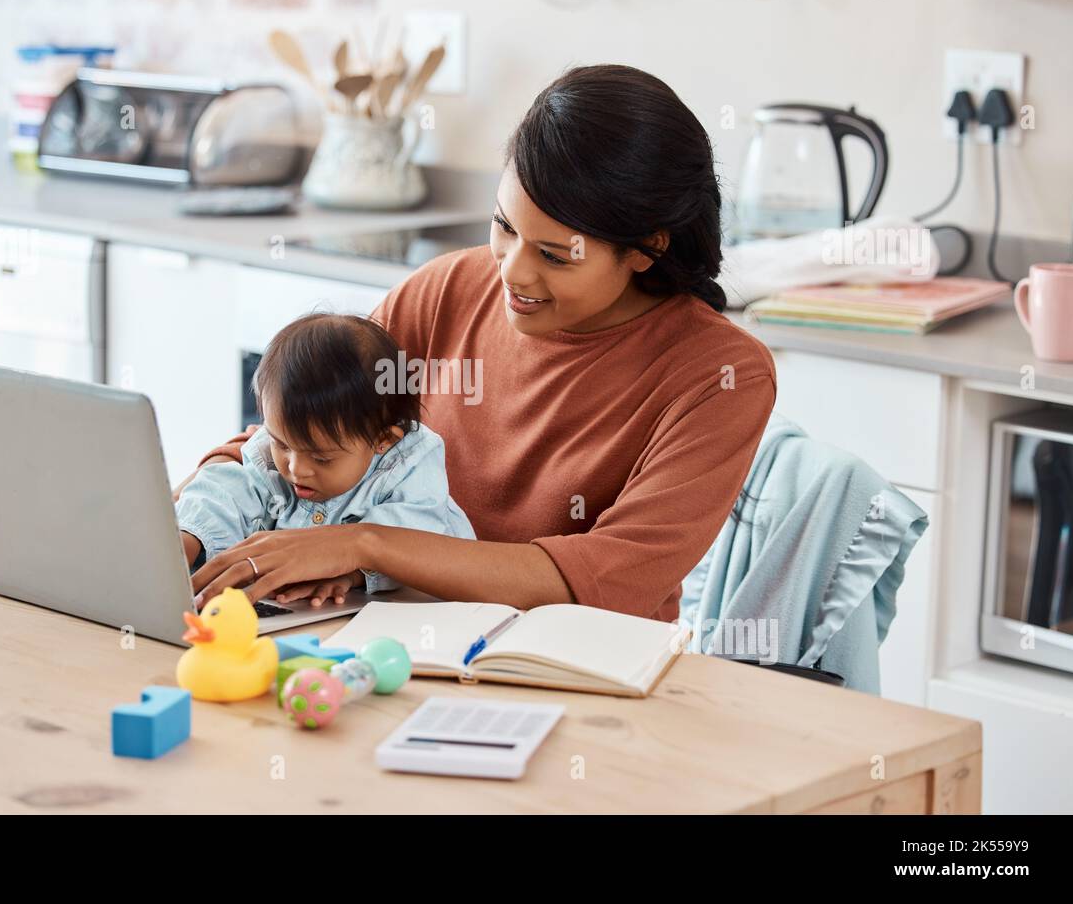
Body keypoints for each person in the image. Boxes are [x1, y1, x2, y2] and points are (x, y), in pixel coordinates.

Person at [186, 64, 776, 621]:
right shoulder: (447, 288)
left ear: (647, 248)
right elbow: (293, 433)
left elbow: (610, 578)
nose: (512, 273)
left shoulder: (720, 374)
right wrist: (185, 528)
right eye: (504, 226)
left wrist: (364, 544)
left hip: (576, 663)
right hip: (395, 639)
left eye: (552, 255)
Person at [176, 313, 474, 606]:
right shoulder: (273, 453)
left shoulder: (410, 465)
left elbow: (413, 538)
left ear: (384, 440)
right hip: (318, 614)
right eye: (282, 444)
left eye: (321, 458)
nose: (295, 469)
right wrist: (191, 535)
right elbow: (228, 491)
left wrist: (353, 572)